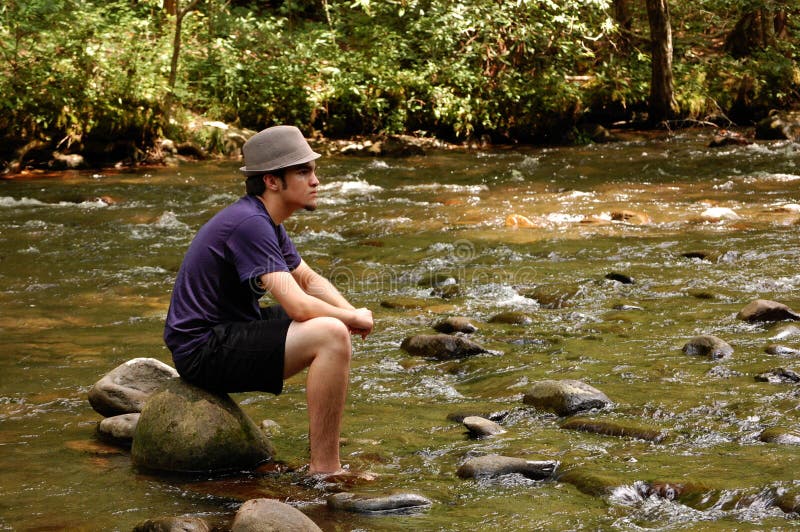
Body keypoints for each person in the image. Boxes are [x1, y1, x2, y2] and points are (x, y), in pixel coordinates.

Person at [163, 125, 374, 477]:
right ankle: (325, 470)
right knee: (330, 334)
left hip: (230, 330)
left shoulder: (265, 221)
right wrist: (350, 320)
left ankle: (323, 464)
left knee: (334, 326)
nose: (316, 180)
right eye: (303, 171)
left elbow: (308, 279)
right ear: (272, 182)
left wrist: (351, 312)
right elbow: (300, 306)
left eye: (313, 170)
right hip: (203, 350)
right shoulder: (249, 223)